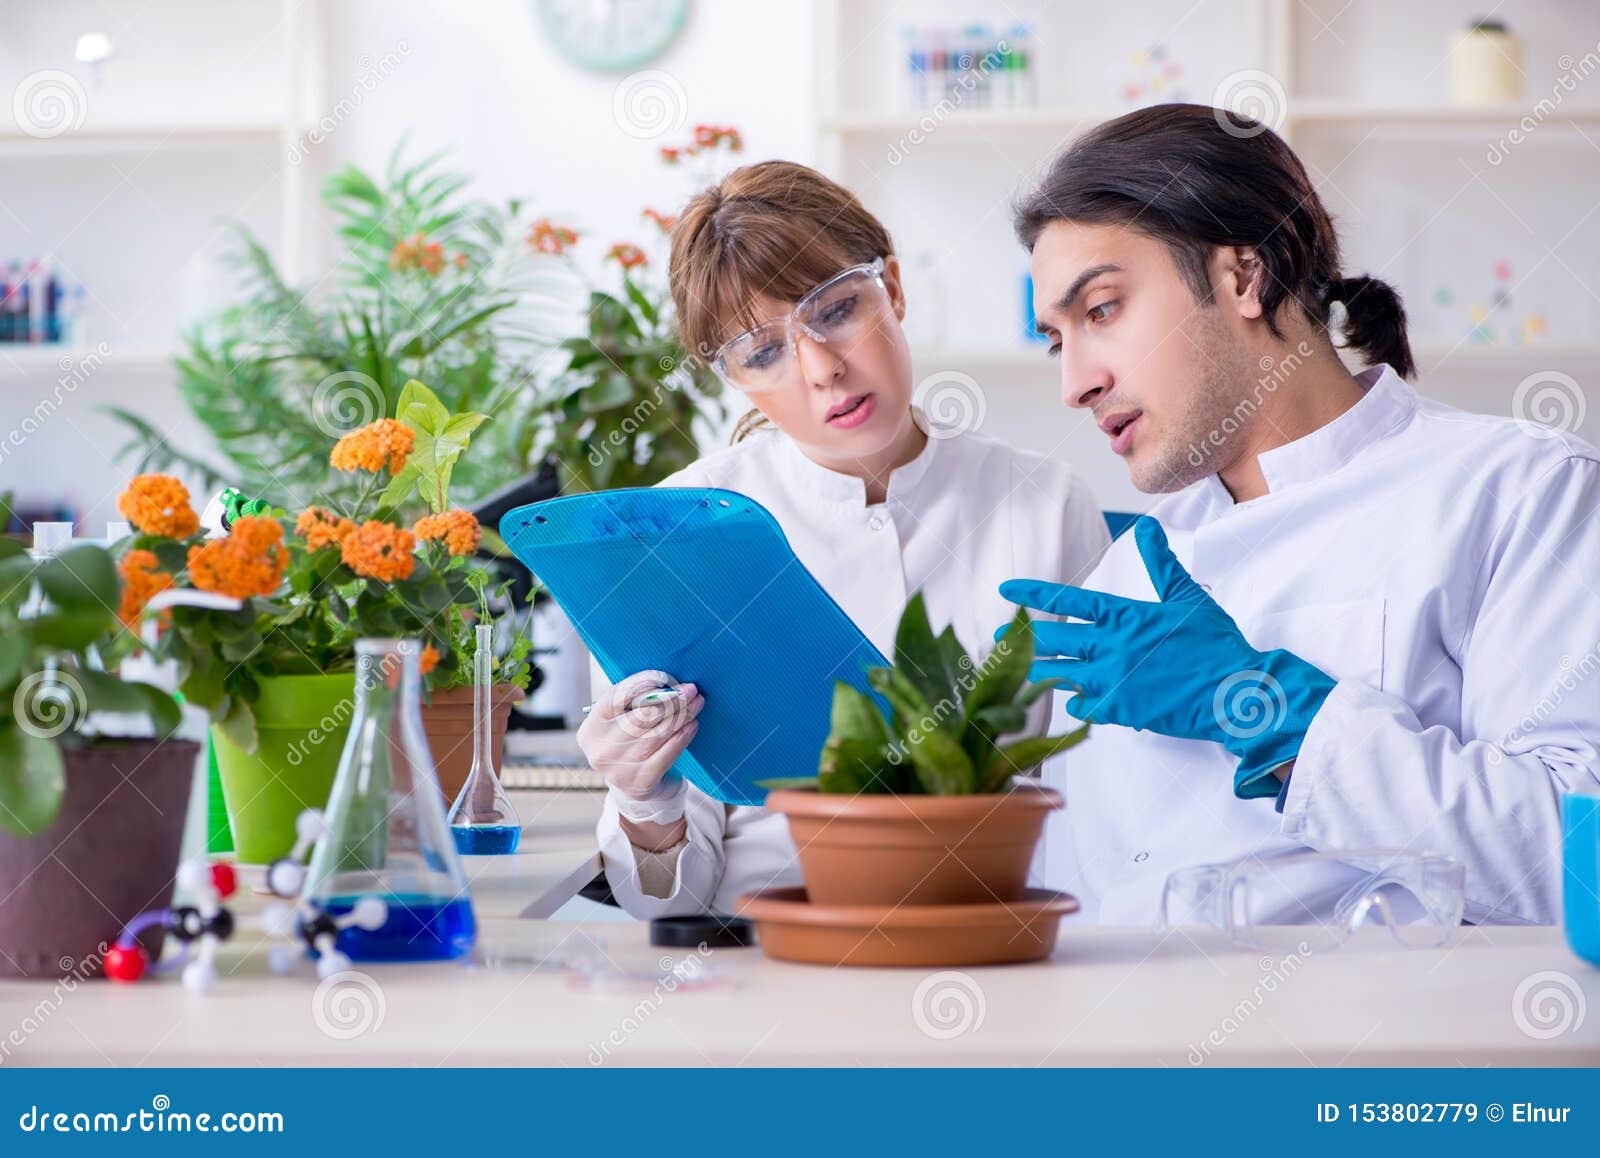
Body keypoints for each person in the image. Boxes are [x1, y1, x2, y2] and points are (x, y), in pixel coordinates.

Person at [1001, 103, 1600, 926]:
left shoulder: (1520, 492)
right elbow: (1067, 895)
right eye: (1054, 339)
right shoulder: (1126, 578)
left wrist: (1277, 712)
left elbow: (1576, 865)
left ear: (1244, 276)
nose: (1076, 383)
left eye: (1101, 310)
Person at [580, 160, 1109, 918]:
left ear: (892, 287)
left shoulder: (1044, 503)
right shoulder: (679, 534)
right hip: (767, 958)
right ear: (733, 378)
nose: (822, 369)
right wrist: (644, 797)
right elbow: (667, 902)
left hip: (991, 942)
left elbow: (1101, 810)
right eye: (763, 353)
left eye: (835, 310)